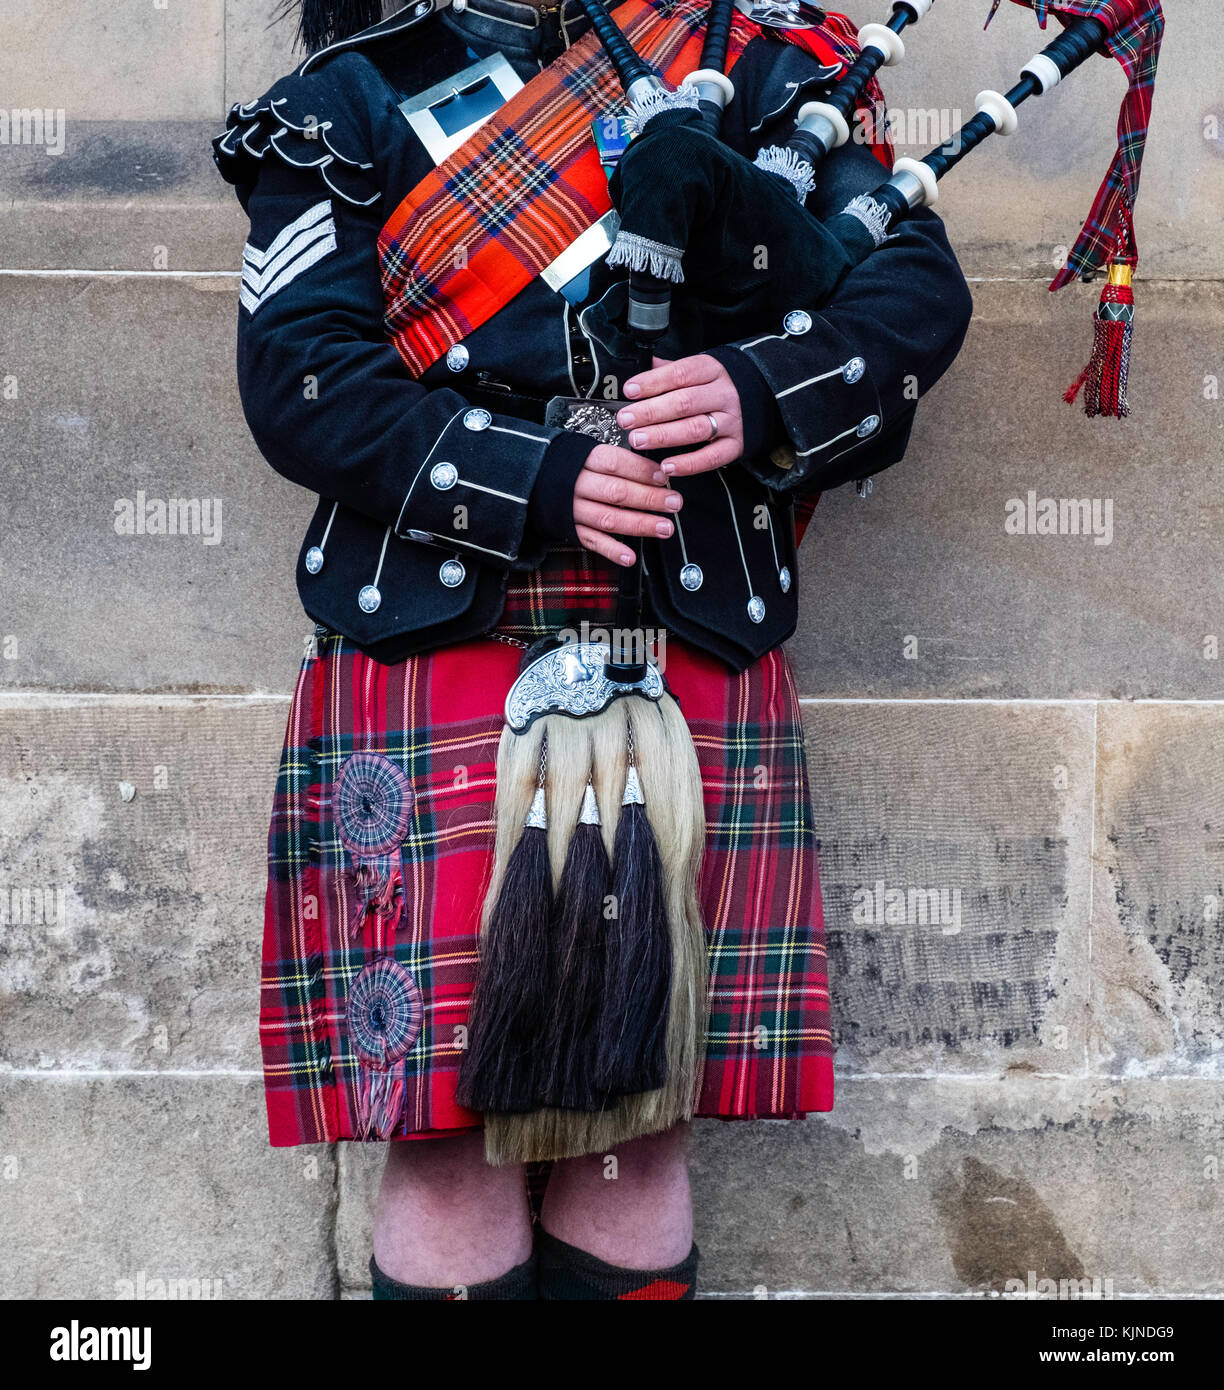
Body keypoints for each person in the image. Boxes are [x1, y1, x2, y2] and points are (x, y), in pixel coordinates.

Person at [214, 0, 971, 1300]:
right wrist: (539, 477)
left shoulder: (760, 66)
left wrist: (760, 390)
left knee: (637, 1125)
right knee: (445, 1137)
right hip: (435, 633)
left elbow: (912, 294)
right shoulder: (348, 104)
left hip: (684, 625)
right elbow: (303, 376)